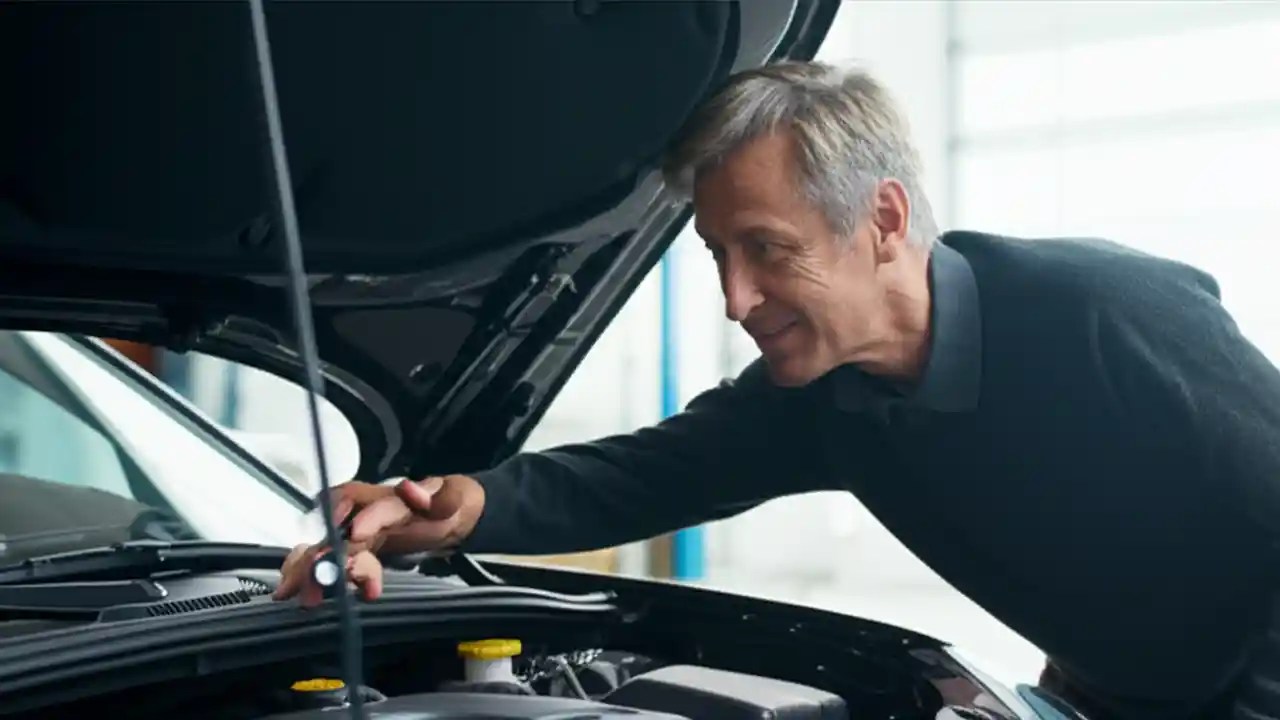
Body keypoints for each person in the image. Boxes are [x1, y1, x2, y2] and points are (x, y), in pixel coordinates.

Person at [273, 61, 1280, 720]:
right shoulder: (826, 399)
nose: (735, 299)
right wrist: (453, 508)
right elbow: (640, 476)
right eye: (718, 254)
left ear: (884, 220)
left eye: (766, 249)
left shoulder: (1102, 312)